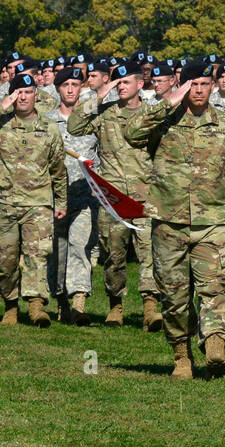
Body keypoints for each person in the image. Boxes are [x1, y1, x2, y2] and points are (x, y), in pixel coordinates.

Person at [124, 60, 225, 380]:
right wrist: (167, 101)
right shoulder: (163, 121)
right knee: (175, 295)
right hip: (169, 220)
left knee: (214, 289)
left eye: (204, 84)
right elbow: (131, 132)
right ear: (182, 84)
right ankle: (181, 354)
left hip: (212, 222)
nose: (199, 90)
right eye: (192, 84)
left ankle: (215, 346)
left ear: (213, 86)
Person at [0, 72, 68, 326]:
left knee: (37, 256)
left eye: (28, 92)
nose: (23, 97)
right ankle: (10, 304)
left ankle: (36, 307)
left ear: (36, 96)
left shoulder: (49, 128)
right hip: (3, 202)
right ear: (12, 95)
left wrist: (61, 202)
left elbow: (58, 169)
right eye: (18, 92)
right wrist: (0, 107)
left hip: (37, 203)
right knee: (5, 261)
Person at [68, 59, 163, 331]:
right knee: (113, 257)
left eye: (125, 82)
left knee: (150, 255)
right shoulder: (105, 112)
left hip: (145, 198)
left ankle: (150, 308)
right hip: (112, 200)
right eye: (117, 82)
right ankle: (115, 305)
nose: (120, 86)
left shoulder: (152, 113)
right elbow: (74, 126)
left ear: (140, 84)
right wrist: (98, 93)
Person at [45, 65, 101, 324]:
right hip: (55, 197)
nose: (70, 89)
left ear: (82, 88)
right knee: (58, 251)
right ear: (58, 88)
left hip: (84, 195)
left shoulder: (93, 119)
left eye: (75, 85)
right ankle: (61, 302)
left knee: (81, 247)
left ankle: (79, 302)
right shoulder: (46, 122)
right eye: (66, 85)